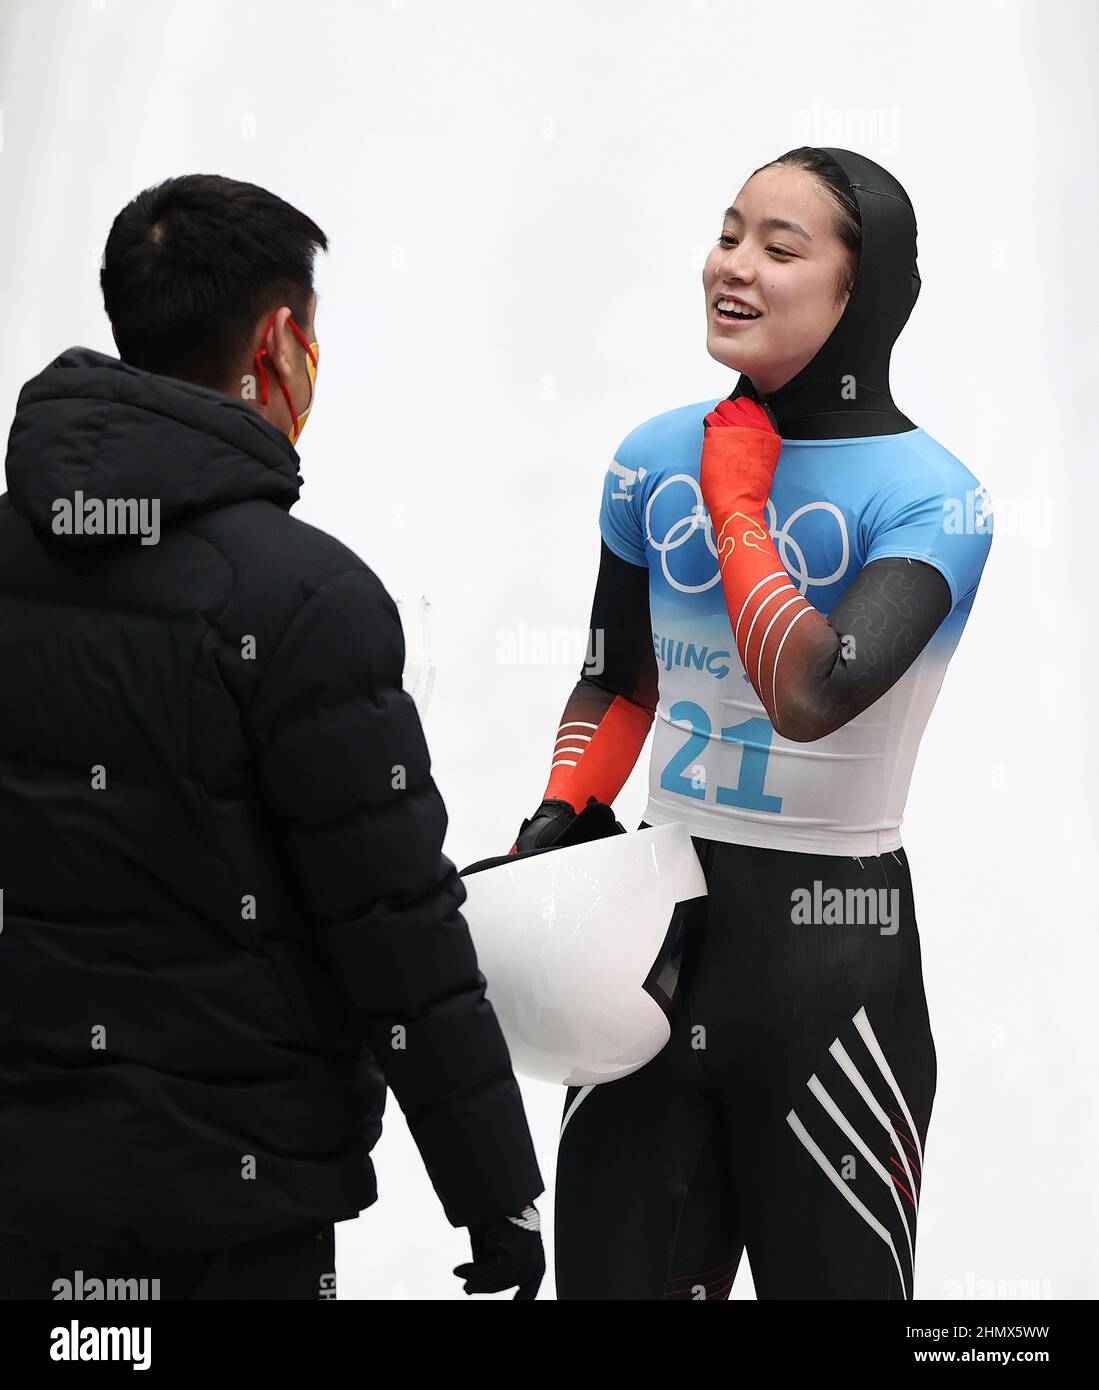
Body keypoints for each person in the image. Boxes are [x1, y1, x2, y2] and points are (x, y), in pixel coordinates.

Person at [0, 174, 544, 1300]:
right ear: (280, 341)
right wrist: (491, 1188)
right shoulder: (308, 599)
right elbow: (389, 918)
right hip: (236, 1205)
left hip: (30, 1175)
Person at [514, 148, 993, 1299]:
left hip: (832, 960)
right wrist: (561, 807)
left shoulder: (934, 494)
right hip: (648, 944)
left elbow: (814, 695)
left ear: (858, 293)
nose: (732, 266)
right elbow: (617, 681)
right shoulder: (651, 456)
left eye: (779, 248)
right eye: (728, 233)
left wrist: (736, 500)